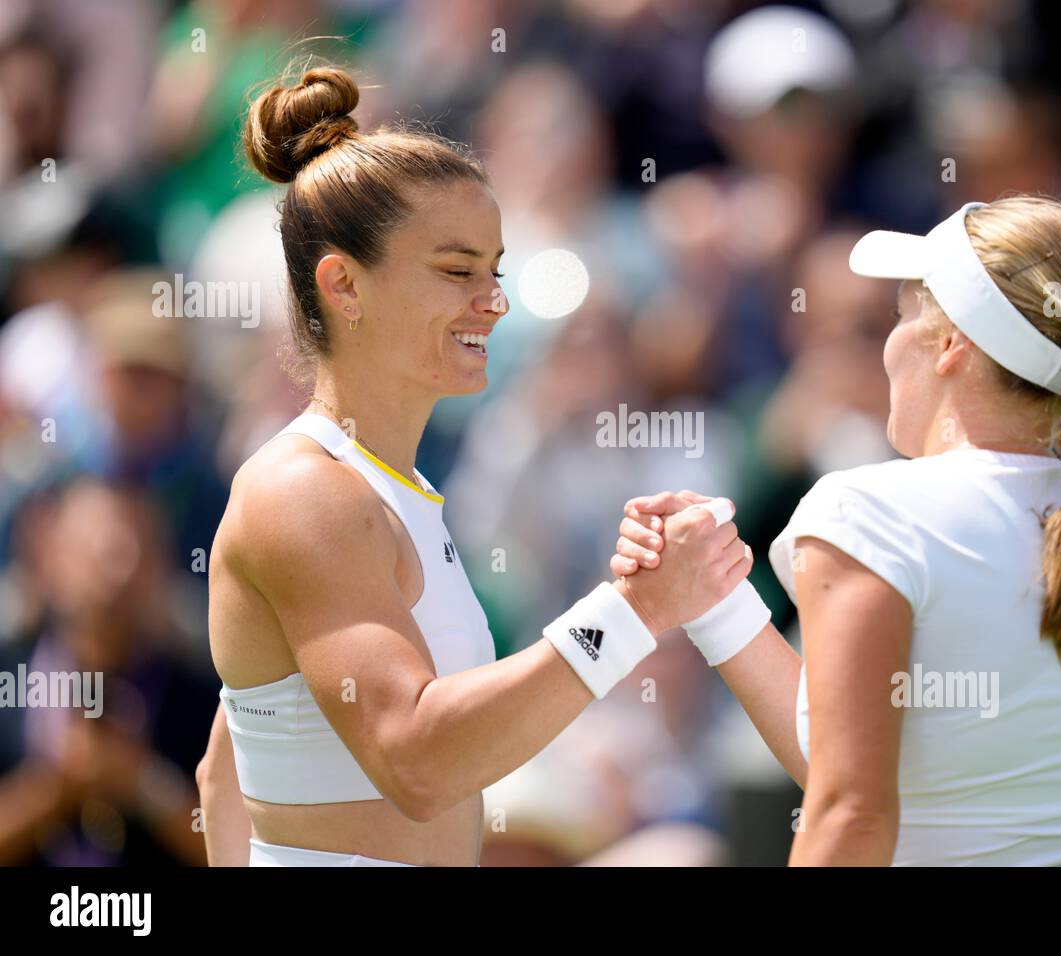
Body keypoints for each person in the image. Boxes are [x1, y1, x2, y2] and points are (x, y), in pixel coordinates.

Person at [196, 65, 757, 867]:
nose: (494, 301)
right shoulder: (303, 491)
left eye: (494, 270)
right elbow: (416, 762)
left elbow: (227, 768)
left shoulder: (390, 492)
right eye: (458, 271)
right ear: (344, 285)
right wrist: (631, 612)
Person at [614, 196, 1061, 866]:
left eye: (902, 314)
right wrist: (715, 603)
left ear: (949, 346)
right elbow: (860, 765)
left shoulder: (868, 511)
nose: (886, 345)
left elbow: (851, 814)